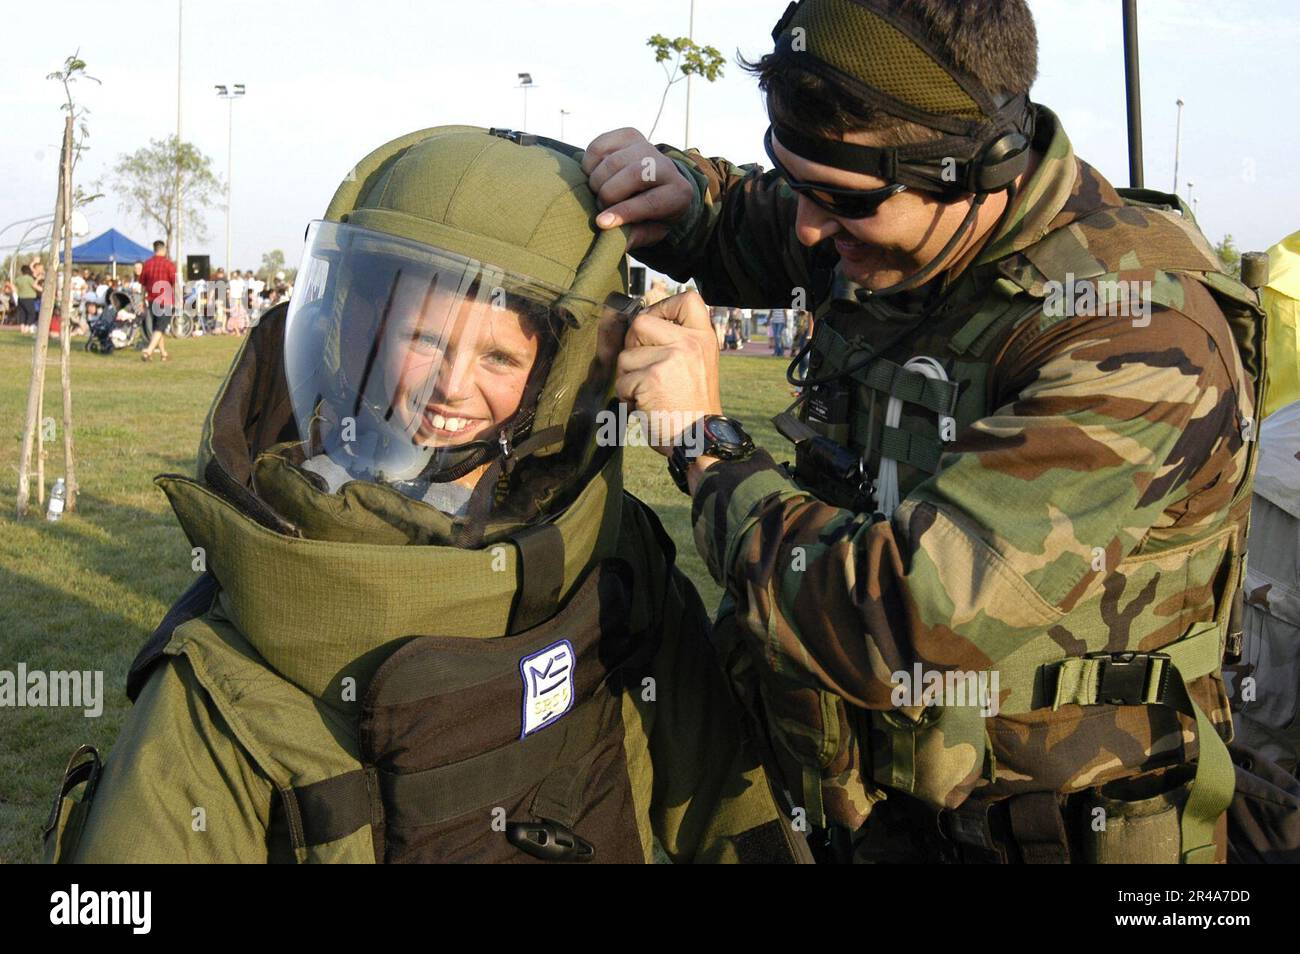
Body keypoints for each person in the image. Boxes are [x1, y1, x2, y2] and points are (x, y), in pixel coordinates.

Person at [583, 0, 1265, 863]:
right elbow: (754, 220)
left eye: (843, 203)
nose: (809, 228)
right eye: (792, 179)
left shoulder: (1133, 336)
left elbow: (905, 620)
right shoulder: (893, 219)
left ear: (981, 170)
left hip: (1041, 831)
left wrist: (702, 443)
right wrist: (679, 192)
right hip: (866, 802)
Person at [43, 126, 807, 865]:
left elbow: (726, 804)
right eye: (424, 340)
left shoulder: (611, 551)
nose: (451, 385)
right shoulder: (238, 645)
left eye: (500, 355)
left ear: (560, 374)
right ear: (366, 337)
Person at [138, 240, 175, 362]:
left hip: (152, 299)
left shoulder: (147, 264)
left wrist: (142, 300)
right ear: (163, 249)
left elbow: (143, 284)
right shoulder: (169, 264)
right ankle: (148, 351)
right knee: (160, 328)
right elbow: (174, 282)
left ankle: (164, 353)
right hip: (166, 300)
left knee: (157, 328)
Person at [14, 264, 39, 334]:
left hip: (20, 298)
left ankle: (22, 329)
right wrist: (43, 289)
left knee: (22, 313)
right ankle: (26, 328)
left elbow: (14, 286)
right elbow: (35, 286)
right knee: (31, 313)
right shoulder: (29, 278)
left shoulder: (18, 279)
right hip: (29, 298)